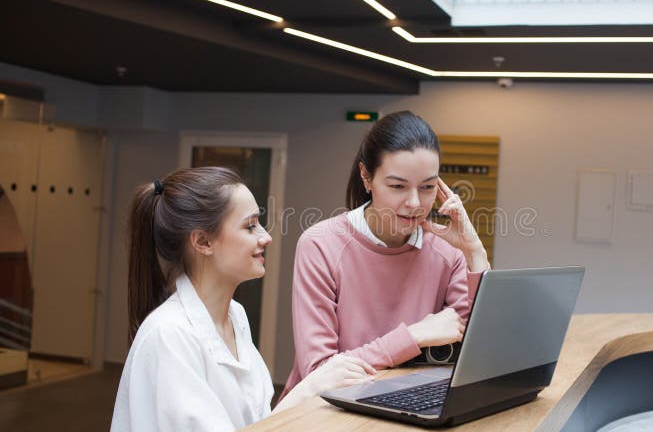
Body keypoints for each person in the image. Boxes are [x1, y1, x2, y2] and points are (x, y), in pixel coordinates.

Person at [110, 167, 375, 432]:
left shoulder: (235, 316)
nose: (266, 237)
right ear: (203, 241)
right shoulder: (169, 335)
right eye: (250, 226)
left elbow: (255, 422)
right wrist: (311, 387)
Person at [283, 111, 490, 396]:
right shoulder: (320, 245)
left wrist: (474, 253)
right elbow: (320, 373)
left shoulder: (448, 253)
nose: (415, 203)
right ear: (366, 177)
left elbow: (479, 353)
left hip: (405, 402)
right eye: (397, 186)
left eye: (428, 187)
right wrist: (414, 336)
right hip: (325, 412)